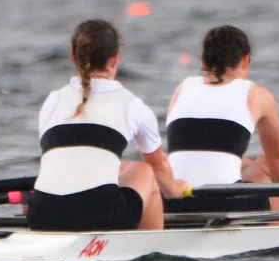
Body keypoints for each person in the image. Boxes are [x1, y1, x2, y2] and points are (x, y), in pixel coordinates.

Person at [27, 19, 185, 233]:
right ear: (115, 58)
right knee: (144, 170)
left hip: (41, 214)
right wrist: (175, 190)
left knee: (118, 168)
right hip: (100, 214)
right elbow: (159, 167)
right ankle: (151, 244)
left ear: (73, 58)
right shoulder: (131, 105)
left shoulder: (52, 101)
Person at [162, 25, 279, 214]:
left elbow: (200, 150)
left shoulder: (183, 87)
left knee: (249, 168)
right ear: (246, 60)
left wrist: (250, 164)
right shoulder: (257, 94)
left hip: (172, 200)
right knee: (264, 177)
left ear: (203, 61)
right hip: (223, 203)